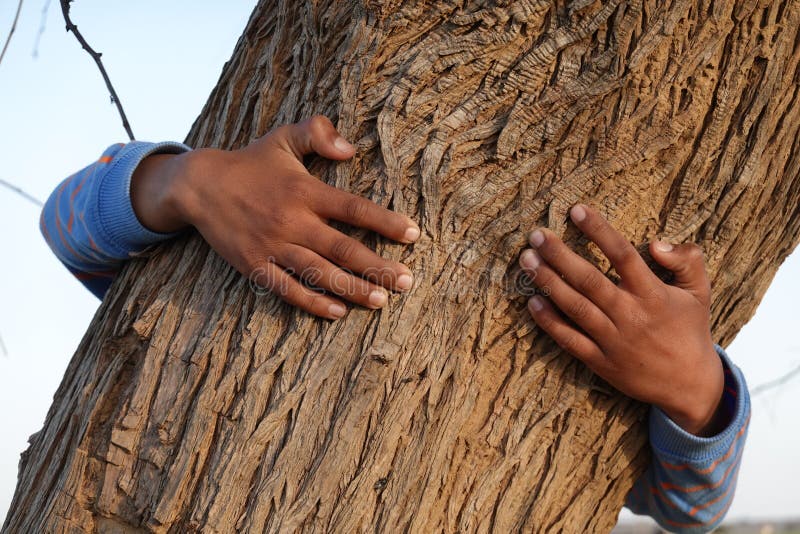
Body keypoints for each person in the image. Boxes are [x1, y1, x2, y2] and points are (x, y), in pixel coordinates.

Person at [40, 116, 749, 532]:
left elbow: (690, 509)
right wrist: (186, 181)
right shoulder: (234, 216)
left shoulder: (609, 377)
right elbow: (65, 225)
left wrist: (696, 387)